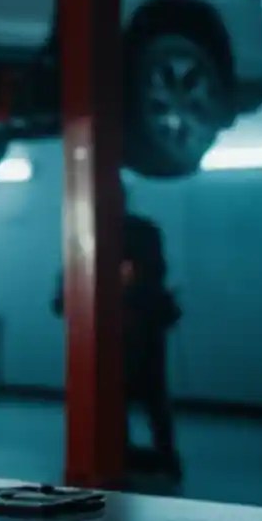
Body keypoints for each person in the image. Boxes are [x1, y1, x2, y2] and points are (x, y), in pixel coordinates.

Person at [52, 186, 182, 483]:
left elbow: (150, 275)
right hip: (123, 327)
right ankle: (140, 455)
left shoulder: (101, 233)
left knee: (142, 395)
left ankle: (144, 456)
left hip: (135, 327)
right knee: (138, 396)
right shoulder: (134, 231)